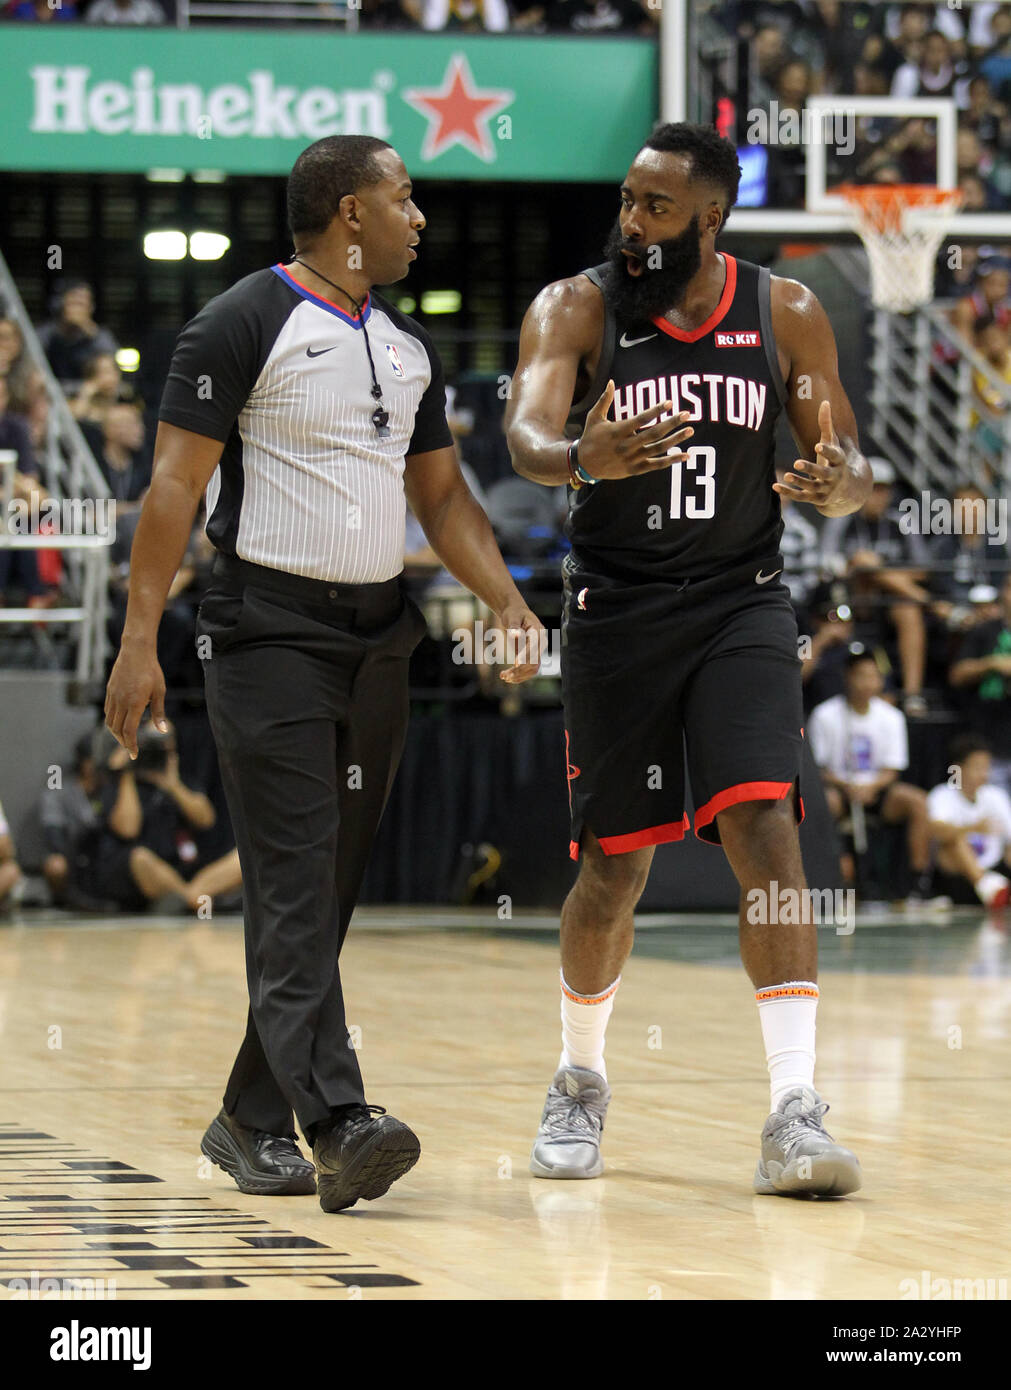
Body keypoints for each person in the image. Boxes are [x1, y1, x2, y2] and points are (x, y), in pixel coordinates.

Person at [104, 135, 545, 1214]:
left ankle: (247, 1121)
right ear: (351, 213)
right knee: (297, 876)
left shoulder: (405, 347)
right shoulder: (243, 320)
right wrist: (135, 635)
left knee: (327, 886)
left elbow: (442, 500)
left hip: (380, 639)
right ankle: (339, 1118)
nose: (420, 216)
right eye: (404, 198)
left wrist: (504, 596)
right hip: (267, 632)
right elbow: (172, 486)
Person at [505, 121, 868, 1198]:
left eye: (655, 206)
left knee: (767, 831)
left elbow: (841, 460)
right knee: (613, 867)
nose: (631, 221)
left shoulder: (783, 312)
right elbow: (525, 436)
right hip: (619, 614)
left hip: (740, 604)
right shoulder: (577, 306)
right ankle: (579, 1079)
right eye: (627, 200)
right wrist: (580, 456)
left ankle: (794, 1111)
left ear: (710, 215)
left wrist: (831, 478)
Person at [808, 650, 934, 898]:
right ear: (848, 678)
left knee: (917, 802)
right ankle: (834, 878)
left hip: (878, 790)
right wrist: (846, 786)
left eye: (873, 676)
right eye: (861, 676)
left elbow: (893, 769)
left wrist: (871, 788)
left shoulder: (891, 717)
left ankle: (919, 883)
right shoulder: (825, 714)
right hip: (839, 789)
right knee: (824, 803)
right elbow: (818, 768)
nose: (867, 683)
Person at [927, 735, 1011, 909]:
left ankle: (994, 888)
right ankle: (987, 886)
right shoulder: (942, 794)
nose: (983, 774)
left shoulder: (996, 796)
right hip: (957, 875)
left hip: (995, 868)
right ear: (958, 769)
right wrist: (974, 828)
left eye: (987, 768)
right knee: (954, 840)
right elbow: (937, 831)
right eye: (977, 767)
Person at [950, 570, 1011, 794]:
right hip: (987, 745)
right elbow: (957, 675)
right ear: (1003, 593)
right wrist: (992, 664)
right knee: (989, 815)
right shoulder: (984, 631)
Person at [37, 283, 117, 391]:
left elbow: (111, 363)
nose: (76, 309)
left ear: (90, 308)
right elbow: (33, 358)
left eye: (81, 305)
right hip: (52, 392)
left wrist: (91, 331)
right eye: (73, 304)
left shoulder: (99, 335)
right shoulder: (47, 332)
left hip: (89, 393)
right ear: (61, 306)